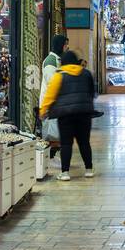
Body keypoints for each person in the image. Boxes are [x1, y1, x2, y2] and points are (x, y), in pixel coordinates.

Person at [39, 50, 99, 181]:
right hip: (84, 113)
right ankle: (89, 169)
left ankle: (65, 173)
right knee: (84, 142)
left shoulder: (59, 75)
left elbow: (50, 94)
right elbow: (92, 92)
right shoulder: (86, 73)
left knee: (66, 143)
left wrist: (43, 111)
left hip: (65, 115)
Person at [39, 33, 69, 146]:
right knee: (51, 137)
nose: (67, 47)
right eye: (65, 45)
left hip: (56, 105)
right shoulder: (50, 62)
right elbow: (53, 85)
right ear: (60, 45)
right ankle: (50, 160)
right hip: (51, 105)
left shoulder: (58, 60)